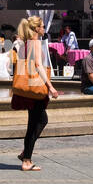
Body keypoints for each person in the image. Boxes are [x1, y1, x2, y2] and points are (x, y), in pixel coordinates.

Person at [13, 15, 60, 171]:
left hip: (28, 88)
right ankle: (26, 160)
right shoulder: (35, 43)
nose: (44, 28)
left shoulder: (24, 44)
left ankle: (26, 154)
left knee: (34, 122)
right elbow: (39, 66)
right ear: (37, 28)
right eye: (42, 25)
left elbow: (20, 67)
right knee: (38, 122)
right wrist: (50, 86)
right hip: (36, 86)